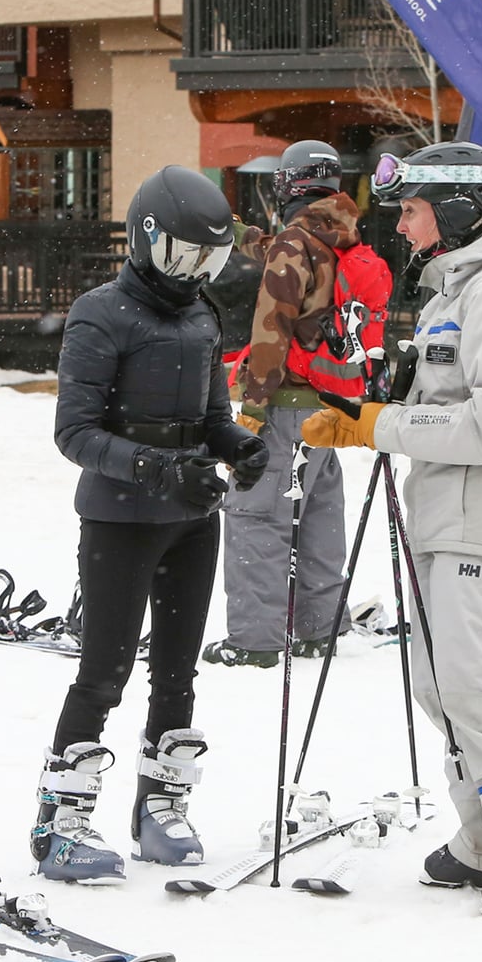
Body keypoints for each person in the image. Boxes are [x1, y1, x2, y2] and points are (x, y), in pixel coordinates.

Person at [301, 142, 482, 905]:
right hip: (446, 514)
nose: (402, 223)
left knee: (475, 681)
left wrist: (381, 426)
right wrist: (371, 410)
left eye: (413, 208)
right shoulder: (457, 290)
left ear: (456, 209)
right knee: (437, 681)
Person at [36, 165, 269, 883]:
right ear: (145, 241)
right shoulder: (100, 313)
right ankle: (60, 821)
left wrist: (238, 446)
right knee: (103, 672)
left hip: (192, 519)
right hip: (120, 519)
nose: (195, 274)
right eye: (183, 256)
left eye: (210, 260)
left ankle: (160, 807)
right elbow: (74, 431)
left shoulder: (201, 314)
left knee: (177, 672)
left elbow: (210, 416)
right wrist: (158, 467)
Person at [203, 139, 382, 668]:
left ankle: (254, 641)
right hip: (332, 404)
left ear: (291, 185)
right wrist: (244, 236)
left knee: (256, 515)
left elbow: (271, 331)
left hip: (283, 404)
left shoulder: (296, 243)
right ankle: (318, 630)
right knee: (319, 514)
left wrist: (251, 410)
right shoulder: (341, 234)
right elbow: (292, 256)